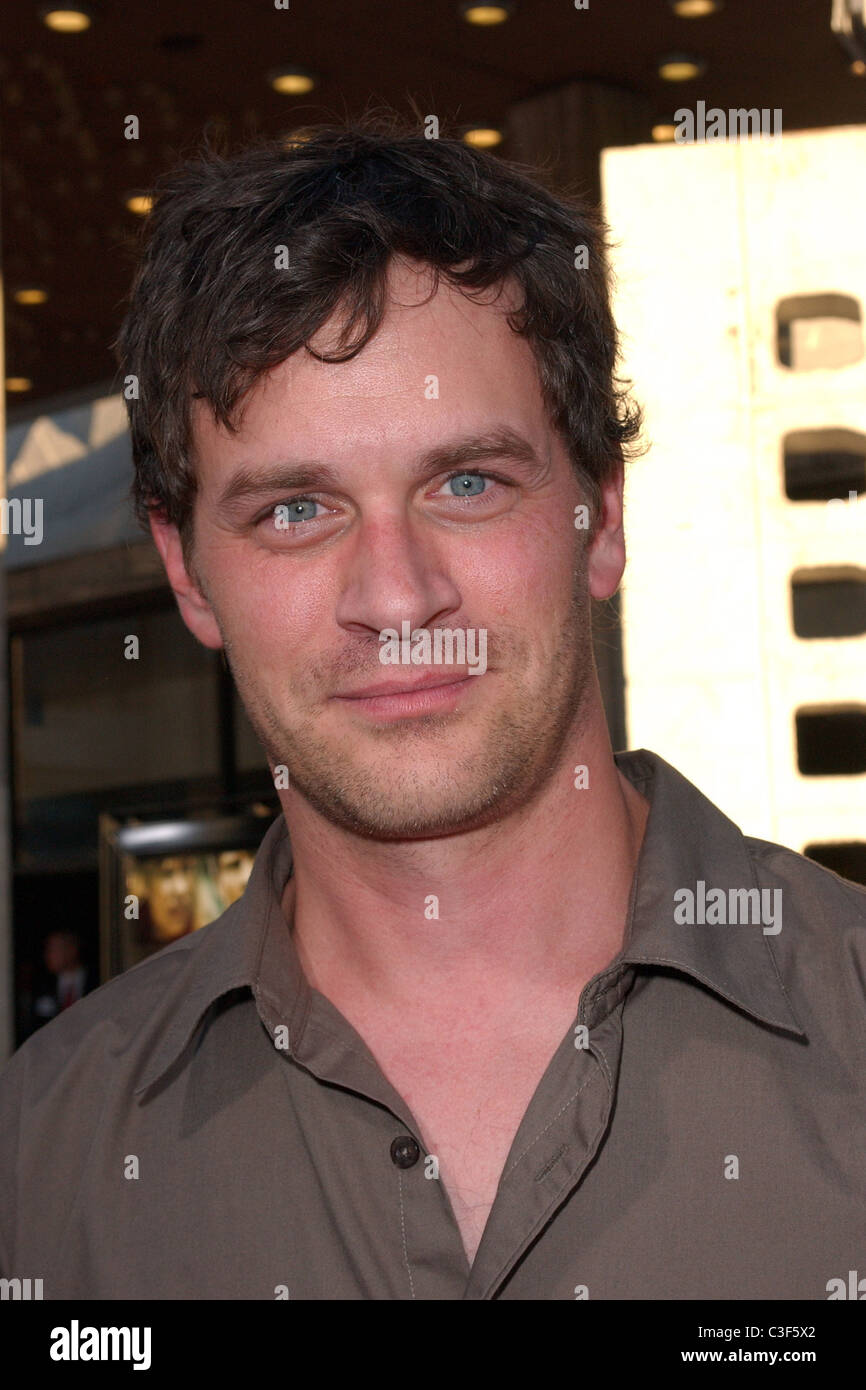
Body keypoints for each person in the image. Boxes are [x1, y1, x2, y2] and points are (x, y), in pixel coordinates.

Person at [1, 114, 864, 1301]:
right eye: (294, 511)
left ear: (600, 518)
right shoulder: (43, 1170)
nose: (396, 596)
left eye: (466, 482)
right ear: (190, 574)